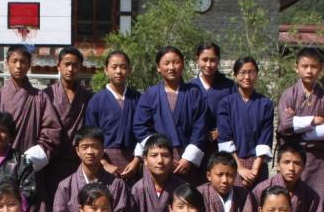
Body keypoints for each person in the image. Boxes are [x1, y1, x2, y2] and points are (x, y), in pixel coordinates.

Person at [0, 44, 62, 212]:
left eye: (23, 61)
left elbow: (52, 132)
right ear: (7, 64)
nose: (18, 66)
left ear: (30, 65)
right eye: (14, 61)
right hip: (1, 168)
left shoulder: (40, 98)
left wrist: (26, 161)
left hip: (31, 168)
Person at [133, 46, 207, 182]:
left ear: (183, 64)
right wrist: (159, 154)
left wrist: (188, 158)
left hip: (184, 161)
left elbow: (200, 128)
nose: (171, 67)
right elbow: (140, 127)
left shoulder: (194, 93)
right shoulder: (150, 94)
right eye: (166, 63)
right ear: (158, 67)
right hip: (157, 159)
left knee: (184, 200)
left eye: (176, 62)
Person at [52, 125, 130, 212]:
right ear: (77, 151)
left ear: (103, 150)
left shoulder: (117, 185)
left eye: (95, 147)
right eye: (85, 147)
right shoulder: (65, 186)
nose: (90, 152)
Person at [277, 47, 324, 198]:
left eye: (314, 66)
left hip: (319, 159)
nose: (309, 71)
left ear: (321, 69)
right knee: (292, 200)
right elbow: (285, 125)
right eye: (305, 66)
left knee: (319, 200)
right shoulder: (289, 94)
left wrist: (299, 130)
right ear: (296, 67)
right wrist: (314, 120)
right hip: (294, 158)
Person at [43, 46, 94, 200]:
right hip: (53, 161)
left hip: (79, 160)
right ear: (58, 66)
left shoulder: (88, 96)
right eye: (67, 64)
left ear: (80, 67)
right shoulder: (46, 95)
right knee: (55, 206)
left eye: (75, 65)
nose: (71, 69)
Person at [217, 56, 274, 188]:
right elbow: (225, 137)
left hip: (258, 165)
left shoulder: (265, 104)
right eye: (242, 72)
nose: (247, 77)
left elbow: (265, 137)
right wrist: (240, 168)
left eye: (251, 72)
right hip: (233, 164)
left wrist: (254, 169)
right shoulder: (226, 103)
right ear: (236, 75)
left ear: (257, 75)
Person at [85, 50, 142, 180]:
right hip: (103, 159)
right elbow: (90, 135)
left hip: (133, 159)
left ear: (129, 70)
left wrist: (137, 159)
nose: (118, 71)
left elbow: (144, 131)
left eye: (123, 67)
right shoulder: (96, 100)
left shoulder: (138, 98)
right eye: (114, 67)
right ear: (106, 70)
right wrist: (104, 163)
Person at [190, 42, 236, 174]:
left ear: (218, 61)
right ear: (197, 59)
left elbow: (235, 116)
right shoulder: (190, 87)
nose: (208, 65)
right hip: (195, 147)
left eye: (213, 60)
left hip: (221, 146)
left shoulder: (229, 87)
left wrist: (221, 130)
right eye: (204, 60)